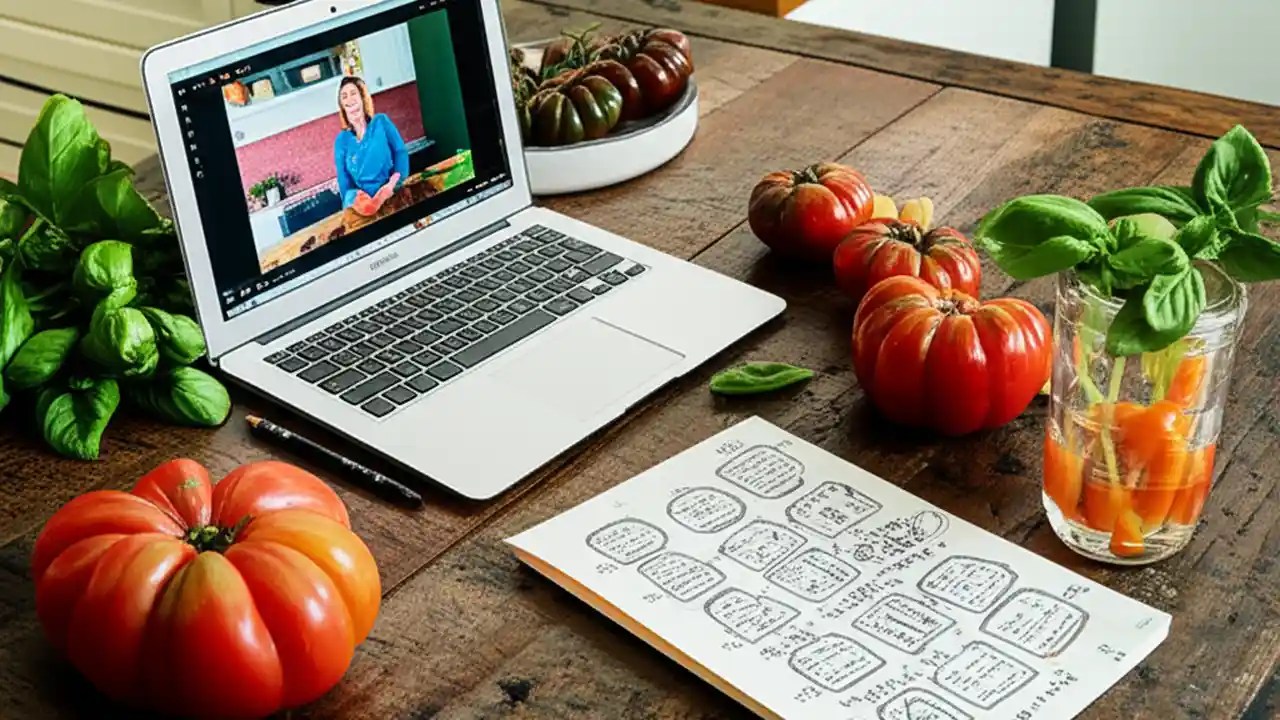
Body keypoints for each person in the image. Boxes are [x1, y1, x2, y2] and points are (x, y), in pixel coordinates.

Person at [333, 76, 408, 220]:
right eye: (344, 96)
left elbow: (400, 153)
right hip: (364, 210)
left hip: (393, 195)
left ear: (362, 97)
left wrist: (390, 186)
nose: (349, 99)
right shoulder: (341, 141)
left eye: (353, 93)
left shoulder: (381, 122)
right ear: (341, 105)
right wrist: (356, 200)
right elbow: (345, 183)